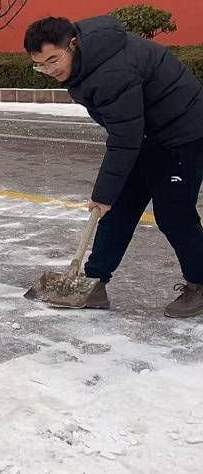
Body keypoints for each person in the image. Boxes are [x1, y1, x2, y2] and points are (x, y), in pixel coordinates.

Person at [25, 16, 203, 318]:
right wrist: (109, 195)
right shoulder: (84, 63)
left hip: (183, 133)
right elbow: (127, 130)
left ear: (73, 43)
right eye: (41, 65)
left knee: (174, 214)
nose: (50, 70)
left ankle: (200, 284)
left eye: (54, 60)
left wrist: (103, 192)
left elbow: (124, 135)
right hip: (147, 133)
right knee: (117, 209)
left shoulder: (111, 70)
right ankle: (95, 280)